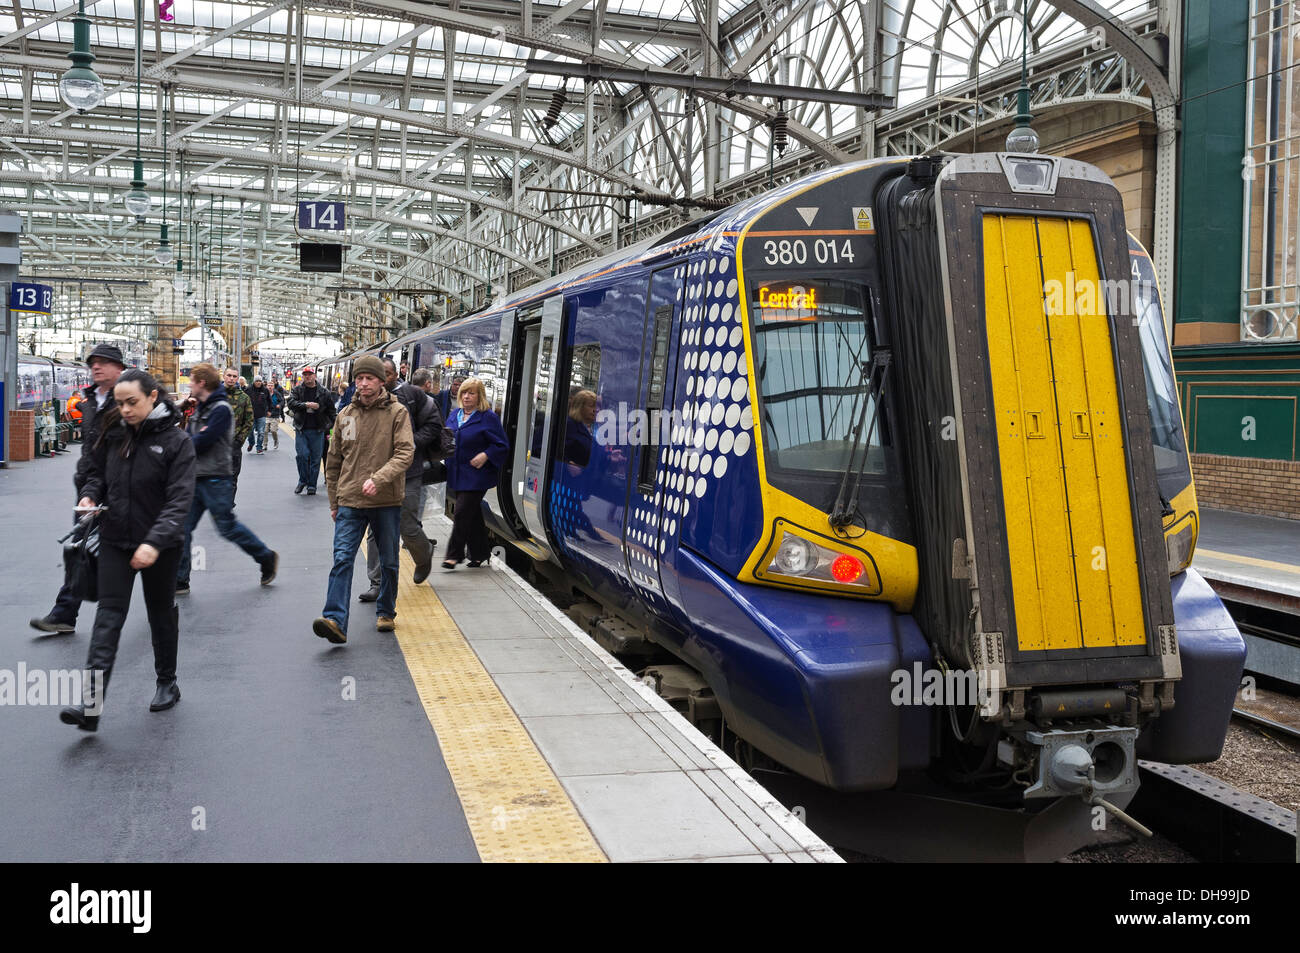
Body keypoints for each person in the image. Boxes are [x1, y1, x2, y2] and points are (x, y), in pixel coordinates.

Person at [59, 369, 196, 731]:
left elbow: (179, 500)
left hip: (161, 546)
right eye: (120, 404)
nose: (125, 410)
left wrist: (154, 542)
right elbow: (98, 475)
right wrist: (90, 495)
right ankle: (90, 704)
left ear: (153, 397)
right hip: (116, 538)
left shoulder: (176, 442)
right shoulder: (115, 433)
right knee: (108, 616)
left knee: (160, 613)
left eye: (132, 402)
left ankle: (167, 681)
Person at [313, 356, 414, 643]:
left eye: (369, 378)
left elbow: (406, 453)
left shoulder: (397, 413)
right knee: (342, 558)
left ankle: (386, 611)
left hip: (385, 501)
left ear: (382, 381)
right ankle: (334, 619)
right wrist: (334, 501)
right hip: (349, 500)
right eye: (359, 378)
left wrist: (379, 479)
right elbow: (333, 461)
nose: (363, 383)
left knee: (389, 561)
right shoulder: (346, 415)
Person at [30, 343, 127, 634]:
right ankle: (64, 614)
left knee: (135, 552)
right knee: (79, 550)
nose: (96, 366)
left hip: (125, 490)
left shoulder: (128, 400)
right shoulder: (87, 402)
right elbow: (92, 453)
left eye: (104, 362)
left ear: (119, 368)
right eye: (93, 362)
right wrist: (88, 489)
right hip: (90, 489)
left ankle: (164, 590)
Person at [174, 363, 279, 595]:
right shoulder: (201, 406)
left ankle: (266, 557)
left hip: (215, 478)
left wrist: (180, 445)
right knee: (183, 528)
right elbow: (191, 436)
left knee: (227, 527)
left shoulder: (220, 409)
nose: (189, 384)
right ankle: (180, 580)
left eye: (192, 380)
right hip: (196, 476)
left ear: (201, 383)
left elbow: (202, 440)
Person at [360, 358, 442, 601]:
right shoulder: (364, 398)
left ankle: (423, 554)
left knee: (407, 525)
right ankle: (376, 583)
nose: (382, 378)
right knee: (375, 530)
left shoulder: (413, 395)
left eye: (386, 373)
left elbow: (434, 424)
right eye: (378, 374)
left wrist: (410, 443)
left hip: (408, 472)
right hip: (376, 475)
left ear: (395, 374)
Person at [442, 377, 509, 569]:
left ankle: (453, 555)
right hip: (456, 472)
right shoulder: (455, 415)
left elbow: (502, 445)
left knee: (462, 512)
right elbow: (446, 437)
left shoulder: (487, 417)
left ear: (480, 396)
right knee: (472, 514)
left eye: (471, 393)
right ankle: (480, 553)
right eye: (464, 392)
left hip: (477, 475)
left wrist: (486, 455)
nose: (467, 396)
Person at [287, 367, 336, 495]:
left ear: (315, 376)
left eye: (310, 374)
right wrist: (306, 405)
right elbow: (291, 403)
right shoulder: (297, 390)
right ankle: (303, 480)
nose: (307, 377)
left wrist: (332, 427)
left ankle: (311, 486)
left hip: (318, 430)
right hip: (301, 429)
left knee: (315, 459)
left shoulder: (324, 392)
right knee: (302, 455)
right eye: (305, 375)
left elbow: (331, 411)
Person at [223, 367, 253, 498]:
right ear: (224, 376)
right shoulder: (214, 395)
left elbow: (249, 421)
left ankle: (228, 505)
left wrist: (239, 441)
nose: (231, 378)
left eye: (234, 376)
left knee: (232, 477)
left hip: (234, 445)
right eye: (229, 375)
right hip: (215, 445)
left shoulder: (244, 398)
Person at [249, 376, 271, 453]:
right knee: (250, 431)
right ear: (254, 382)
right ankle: (251, 443)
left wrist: (269, 410)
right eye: (257, 381)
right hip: (251, 415)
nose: (258, 382)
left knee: (261, 432)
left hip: (262, 414)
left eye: (260, 381)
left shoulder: (265, 390)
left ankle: (259, 447)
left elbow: (269, 401)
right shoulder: (248, 390)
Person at [267, 377, 285, 449]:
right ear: (266, 386)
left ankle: (276, 441)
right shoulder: (264, 393)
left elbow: (282, 401)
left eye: (271, 385)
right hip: (266, 414)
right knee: (264, 431)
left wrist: (279, 405)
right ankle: (264, 445)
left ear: (273, 386)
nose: (270, 387)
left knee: (273, 430)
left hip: (275, 414)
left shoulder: (277, 393)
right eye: (269, 385)